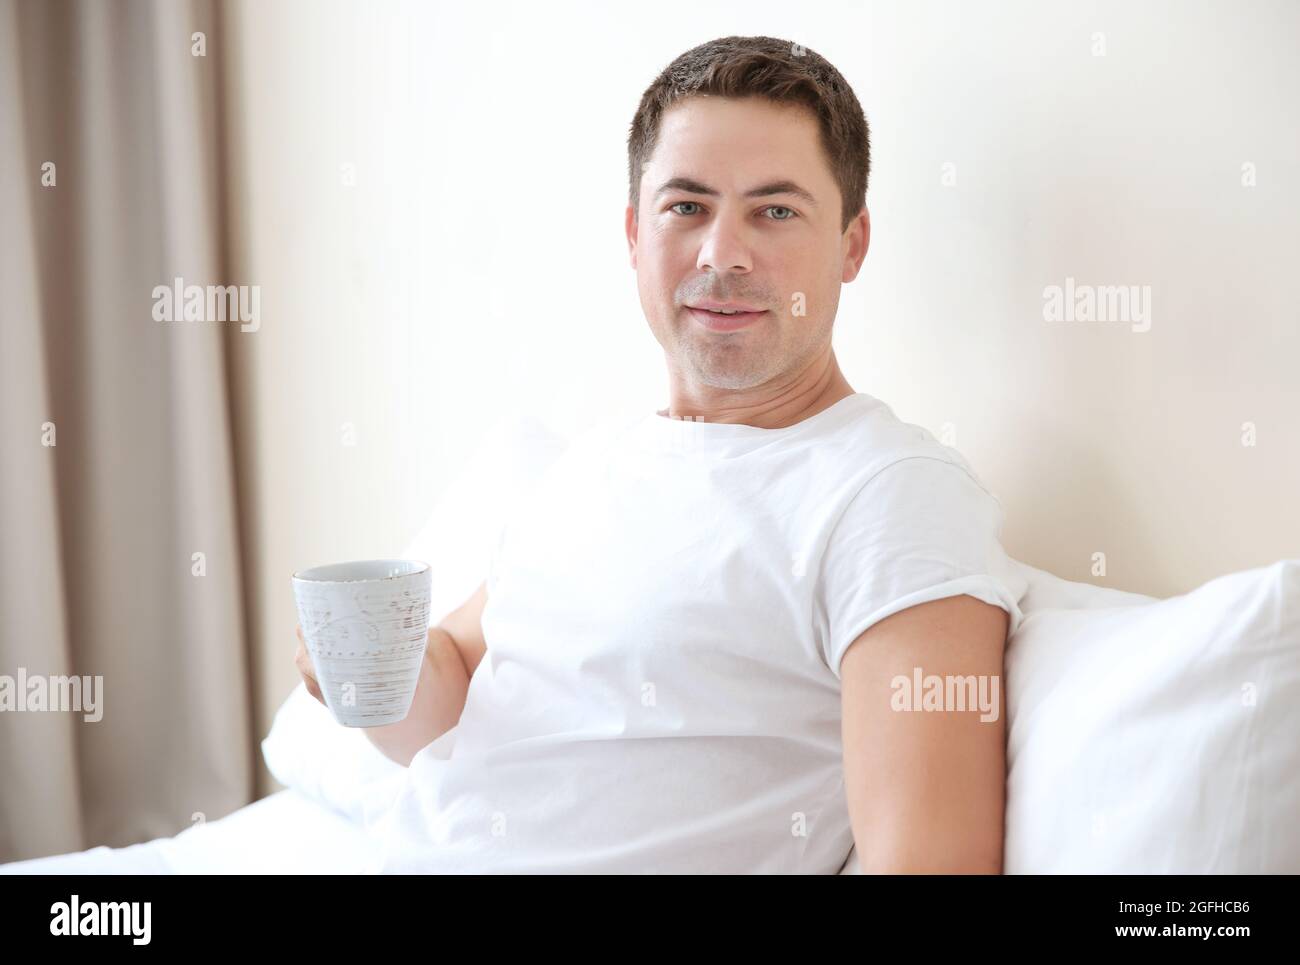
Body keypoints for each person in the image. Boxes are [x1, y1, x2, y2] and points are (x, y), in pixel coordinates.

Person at [294, 35, 1025, 873]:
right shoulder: (594, 464)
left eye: (775, 210)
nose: (723, 254)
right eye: (687, 207)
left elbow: (929, 864)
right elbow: (454, 680)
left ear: (852, 244)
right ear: (636, 234)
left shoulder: (892, 497)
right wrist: (366, 669)